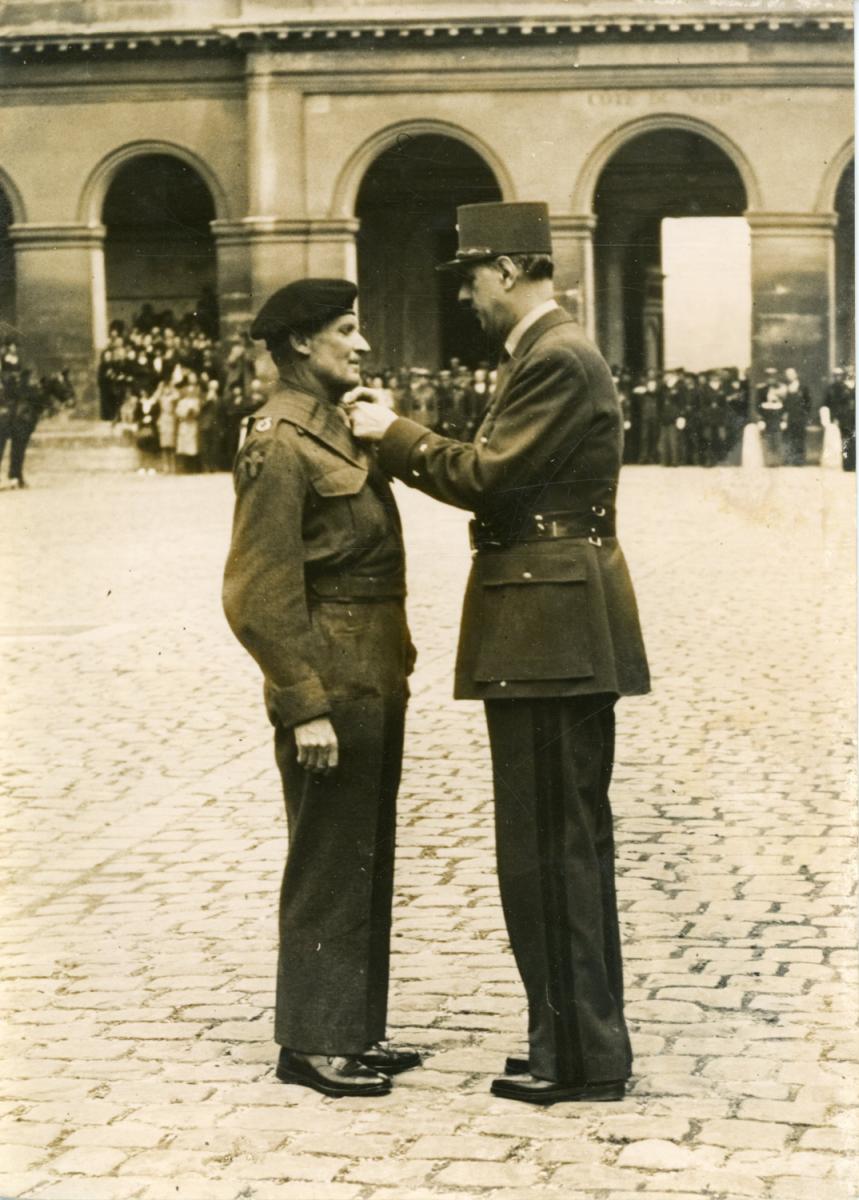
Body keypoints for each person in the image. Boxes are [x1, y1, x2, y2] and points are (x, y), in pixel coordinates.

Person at [350, 202, 650, 1106]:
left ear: (512, 269)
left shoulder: (553, 356)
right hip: (548, 622)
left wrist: (391, 434)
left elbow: (484, 475)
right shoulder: (548, 352)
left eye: (474, 277)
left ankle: (577, 1057)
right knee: (560, 842)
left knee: (547, 846)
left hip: (546, 626)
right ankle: (575, 1040)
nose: (469, 296)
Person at [222, 278, 420, 1100]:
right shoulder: (279, 442)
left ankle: (353, 1027)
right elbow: (256, 592)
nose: (362, 343)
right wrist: (302, 703)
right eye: (347, 329)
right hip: (329, 675)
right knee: (328, 855)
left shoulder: (333, 429)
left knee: (361, 850)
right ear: (301, 343)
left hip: (372, 668)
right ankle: (311, 1041)